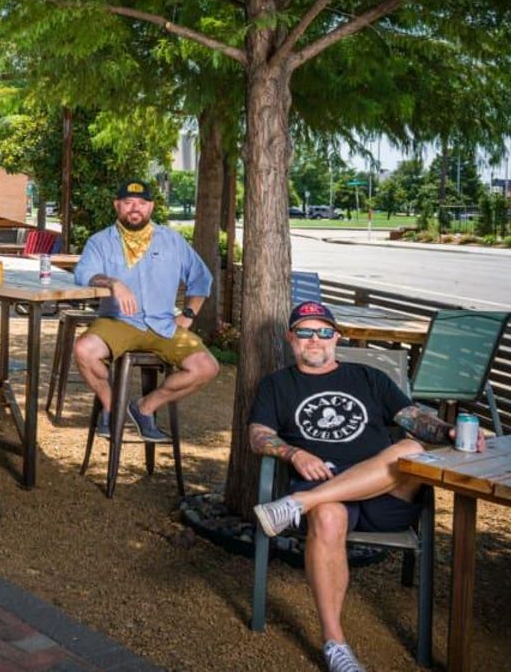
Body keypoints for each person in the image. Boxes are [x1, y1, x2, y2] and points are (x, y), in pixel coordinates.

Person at [250, 300, 483, 672]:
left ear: (336, 337)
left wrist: (448, 431)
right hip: (328, 492)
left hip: (386, 493)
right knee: (326, 516)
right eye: (305, 332)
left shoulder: (367, 378)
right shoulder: (277, 385)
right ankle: (335, 644)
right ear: (290, 338)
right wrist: (294, 454)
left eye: (324, 331)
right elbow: (258, 435)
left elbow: (413, 419)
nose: (315, 340)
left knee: (408, 447)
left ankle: (297, 502)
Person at [72, 179, 218, 440]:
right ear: (117, 205)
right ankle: (111, 405)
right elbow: (84, 274)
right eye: (128, 203)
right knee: (84, 350)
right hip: (117, 322)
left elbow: (201, 278)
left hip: (163, 324)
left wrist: (188, 315)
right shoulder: (100, 241)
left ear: (151, 207)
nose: (134, 208)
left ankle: (144, 408)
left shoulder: (172, 240)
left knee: (206, 367)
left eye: (141, 203)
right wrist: (113, 282)